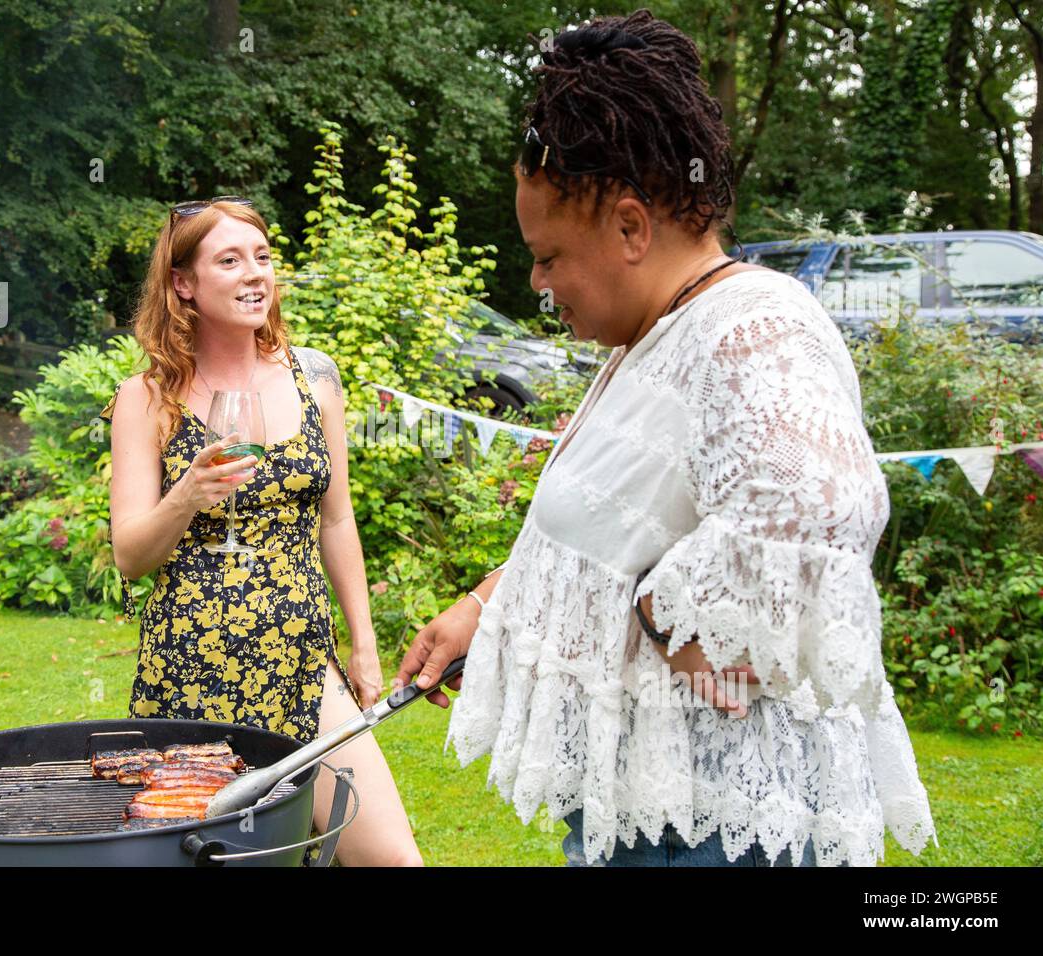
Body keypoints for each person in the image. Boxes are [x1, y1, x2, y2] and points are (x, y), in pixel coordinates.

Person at [397, 11, 938, 867]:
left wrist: (664, 618)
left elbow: (819, 505)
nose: (538, 283)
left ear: (629, 228)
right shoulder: (661, 335)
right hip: (660, 817)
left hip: (718, 832)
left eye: (546, 256)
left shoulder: (755, 329)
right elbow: (626, 526)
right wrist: (487, 606)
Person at [101, 197, 421, 866]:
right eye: (229, 260)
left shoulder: (316, 380)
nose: (255, 275)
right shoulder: (148, 398)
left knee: (392, 858)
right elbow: (131, 555)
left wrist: (362, 644)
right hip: (190, 670)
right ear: (183, 283)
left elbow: (337, 517)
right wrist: (186, 494)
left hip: (302, 659)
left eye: (263, 258)